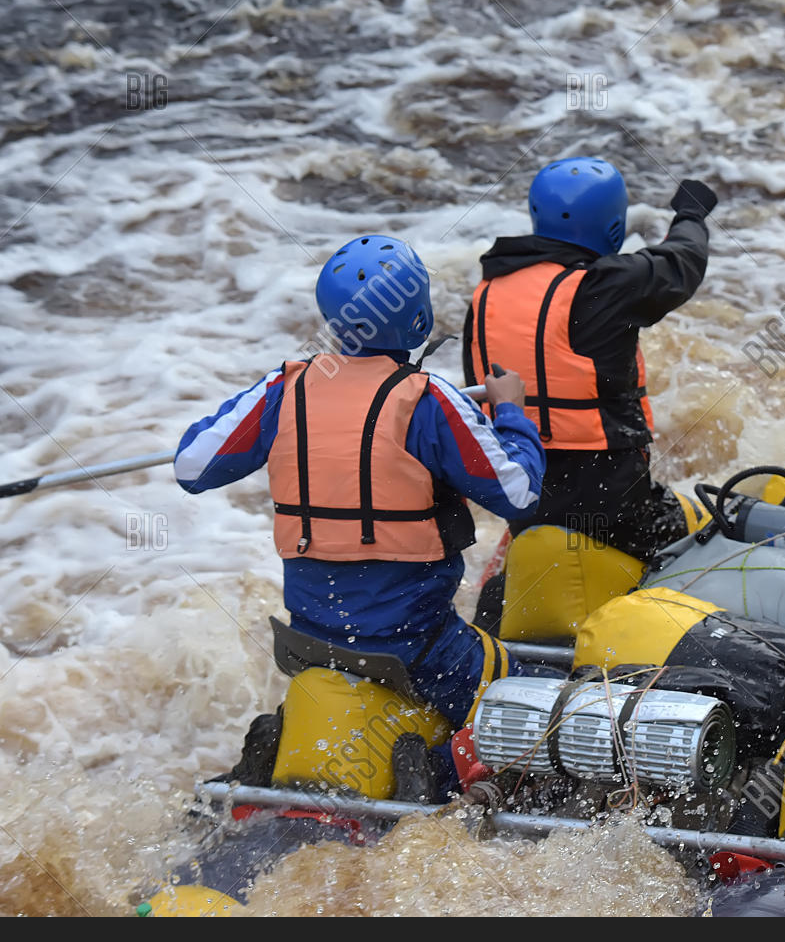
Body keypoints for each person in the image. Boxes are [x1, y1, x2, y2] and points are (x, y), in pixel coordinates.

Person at [175, 234, 545, 738]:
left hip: (308, 640)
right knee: (530, 715)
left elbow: (192, 466)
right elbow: (519, 492)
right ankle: (437, 770)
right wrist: (509, 410)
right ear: (420, 319)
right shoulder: (430, 400)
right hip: (416, 645)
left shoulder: (282, 389)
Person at [463, 156, 717, 561]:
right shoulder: (606, 283)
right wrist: (691, 213)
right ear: (613, 225)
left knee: (547, 545)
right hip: (604, 482)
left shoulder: (487, 292)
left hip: (522, 474)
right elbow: (682, 262)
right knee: (683, 538)